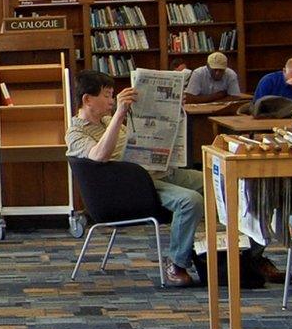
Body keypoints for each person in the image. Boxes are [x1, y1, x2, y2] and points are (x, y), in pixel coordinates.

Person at [66, 69, 206, 288]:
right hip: (133, 189)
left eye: (113, 96)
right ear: (87, 100)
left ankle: (241, 253)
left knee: (216, 181)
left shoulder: (106, 120)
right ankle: (177, 263)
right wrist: (120, 114)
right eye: (107, 95)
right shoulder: (75, 133)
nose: (111, 101)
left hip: (153, 172)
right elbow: (99, 155)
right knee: (191, 201)